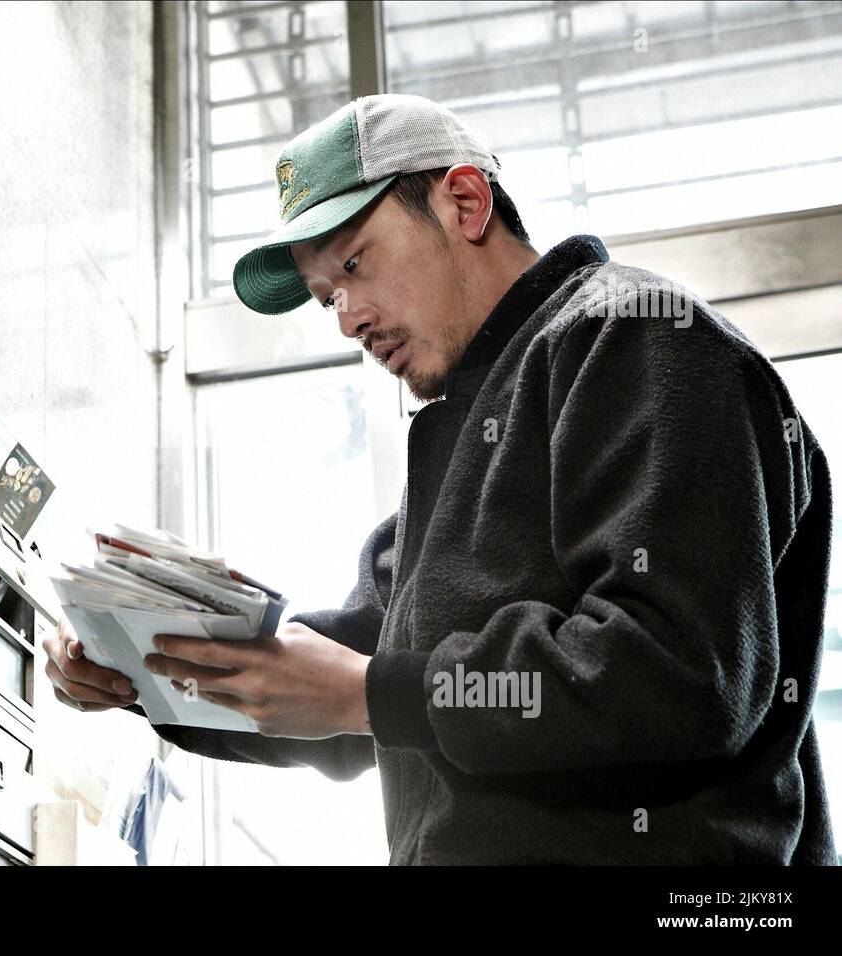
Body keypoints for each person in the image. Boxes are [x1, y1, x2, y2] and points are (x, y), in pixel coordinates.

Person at [44, 93, 837, 864]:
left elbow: (674, 676)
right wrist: (143, 669)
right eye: (327, 298)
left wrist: (372, 693)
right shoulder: (464, 437)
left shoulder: (630, 339)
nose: (348, 317)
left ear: (464, 202)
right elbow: (352, 661)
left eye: (354, 263)